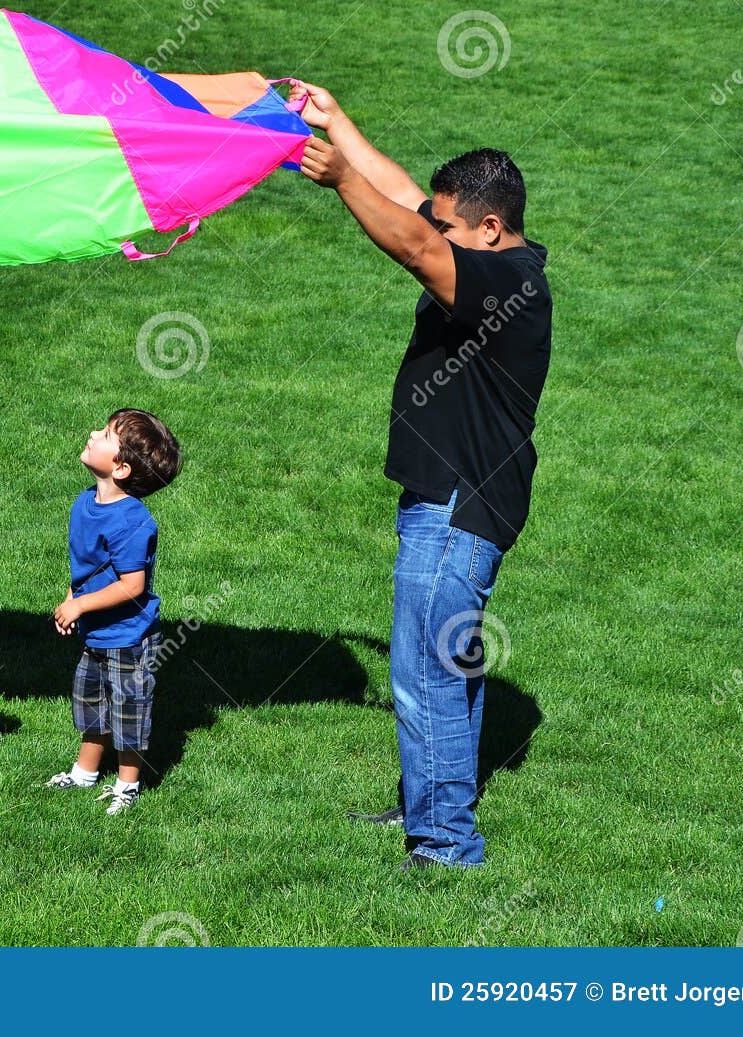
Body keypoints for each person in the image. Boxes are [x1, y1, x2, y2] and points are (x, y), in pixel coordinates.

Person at [292, 81, 552, 868]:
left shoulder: (504, 285)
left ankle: (444, 846)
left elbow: (412, 241)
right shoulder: (488, 253)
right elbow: (413, 209)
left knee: (427, 675)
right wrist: (339, 122)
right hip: (455, 500)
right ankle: (433, 807)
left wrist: (340, 179)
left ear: (490, 226)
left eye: (450, 224)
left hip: (459, 506)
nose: (432, 227)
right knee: (452, 668)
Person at [46, 410, 182, 815]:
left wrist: (79, 604)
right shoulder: (85, 503)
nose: (92, 433)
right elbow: (88, 568)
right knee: (89, 702)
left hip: (128, 638)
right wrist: (74, 597)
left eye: (104, 434)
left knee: (127, 711)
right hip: (95, 632)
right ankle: (85, 772)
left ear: (120, 468)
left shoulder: (132, 522)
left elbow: (131, 586)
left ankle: (127, 784)